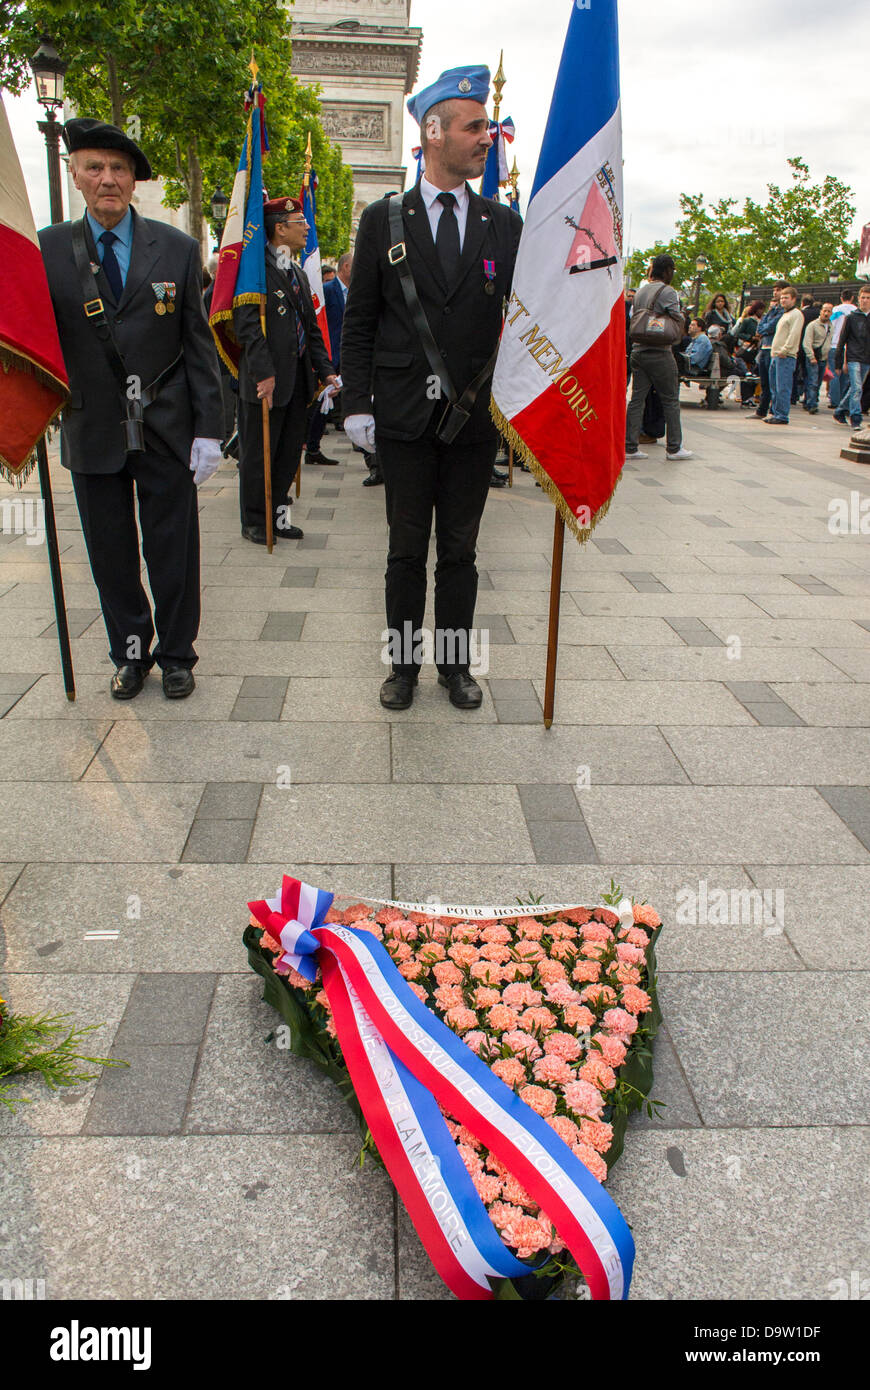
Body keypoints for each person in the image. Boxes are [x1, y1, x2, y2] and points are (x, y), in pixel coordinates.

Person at [340, 64, 522, 711]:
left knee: (461, 553)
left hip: (472, 421)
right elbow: (360, 319)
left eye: (489, 127)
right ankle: (402, 670)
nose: (487, 137)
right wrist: (356, 404)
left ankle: (453, 668)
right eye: (475, 126)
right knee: (404, 552)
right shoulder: (385, 220)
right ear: (434, 131)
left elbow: (525, 322)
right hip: (405, 418)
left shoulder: (504, 225)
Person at [39, 118, 224, 701]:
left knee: (172, 546)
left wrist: (211, 430)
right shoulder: (45, 250)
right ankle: (132, 652)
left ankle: (175, 654)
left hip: (166, 425)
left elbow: (200, 347)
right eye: (94, 167)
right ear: (75, 174)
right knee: (110, 553)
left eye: (119, 169)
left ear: (134, 181)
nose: (108, 179)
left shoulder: (176, 248)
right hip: (91, 424)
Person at [233, 195, 338, 545]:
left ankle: (278, 517)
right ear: (280, 227)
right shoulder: (256, 269)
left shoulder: (295, 272)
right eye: (300, 223)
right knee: (259, 454)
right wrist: (263, 371)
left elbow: (310, 328)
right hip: (266, 380)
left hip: (297, 381)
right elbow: (247, 325)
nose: (307, 227)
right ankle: (254, 521)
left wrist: (326, 371)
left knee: (288, 455)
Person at [625, 254, 693, 462]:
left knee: (637, 398)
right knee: (670, 399)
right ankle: (674, 447)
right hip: (660, 351)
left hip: (638, 350)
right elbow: (676, 316)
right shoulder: (668, 291)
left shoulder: (641, 291)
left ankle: (630, 445)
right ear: (668, 270)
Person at [303, 250, 352, 468]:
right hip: (328, 355)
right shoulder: (327, 291)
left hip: (348, 355)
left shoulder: (356, 291)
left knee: (330, 404)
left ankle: (314, 445)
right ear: (345, 267)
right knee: (319, 403)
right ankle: (309, 445)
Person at [834, 284, 870, 429]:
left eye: (868, 298)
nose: (865, 300)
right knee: (857, 388)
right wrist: (839, 362)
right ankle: (856, 417)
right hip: (854, 356)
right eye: (863, 298)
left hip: (867, 357)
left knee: (856, 387)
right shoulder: (851, 317)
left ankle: (840, 410)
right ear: (858, 298)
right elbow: (842, 340)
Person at [766, 284, 803, 424]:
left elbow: (794, 334)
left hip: (785, 356)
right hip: (776, 354)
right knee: (774, 386)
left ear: (793, 299)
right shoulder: (785, 314)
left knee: (783, 386)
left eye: (786, 298)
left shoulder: (796, 314)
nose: (783, 300)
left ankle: (782, 415)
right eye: (781, 298)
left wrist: (785, 350)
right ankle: (776, 412)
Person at [753, 282, 788, 419]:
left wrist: (763, 329)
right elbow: (761, 326)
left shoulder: (782, 311)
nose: (775, 293)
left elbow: (771, 327)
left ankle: (773, 411)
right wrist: (763, 329)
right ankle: (762, 410)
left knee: (774, 382)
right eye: (774, 290)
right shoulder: (773, 309)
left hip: (774, 347)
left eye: (778, 290)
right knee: (764, 382)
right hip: (765, 347)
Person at [828, 289, 857, 411]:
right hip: (849, 347)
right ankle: (844, 401)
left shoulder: (836, 310)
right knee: (847, 376)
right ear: (852, 298)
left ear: (841, 298)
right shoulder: (856, 311)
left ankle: (835, 400)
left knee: (835, 374)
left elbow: (830, 325)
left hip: (835, 344)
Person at [802, 301, 833, 414]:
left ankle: (809, 401)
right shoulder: (813, 325)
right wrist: (811, 356)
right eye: (824, 310)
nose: (826, 313)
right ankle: (812, 404)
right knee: (813, 381)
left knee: (818, 382)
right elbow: (806, 342)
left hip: (823, 358)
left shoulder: (830, 326)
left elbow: (829, 342)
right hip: (813, 357)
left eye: (828, 311)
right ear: (821, 311)